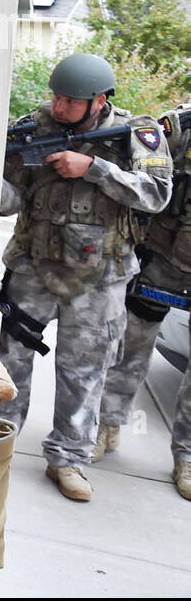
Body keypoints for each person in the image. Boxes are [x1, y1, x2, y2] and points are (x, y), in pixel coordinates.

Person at [0, 53, 172, 501]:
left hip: (101, 278)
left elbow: (156, 195)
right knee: (9, 363)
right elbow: (10, 194)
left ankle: (68, 460)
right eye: (55, 97)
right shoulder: (31, 128)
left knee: (84, 372)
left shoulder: (139, 134)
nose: (59, 107)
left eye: (71, 101)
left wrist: (93, 170)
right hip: (34, 266)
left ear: (99, 100)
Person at [96, 101, 191, 501]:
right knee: (132, 344)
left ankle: (186, 456)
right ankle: (108, 424)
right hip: (163, 257)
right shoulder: (178, 127)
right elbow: (143, 175)